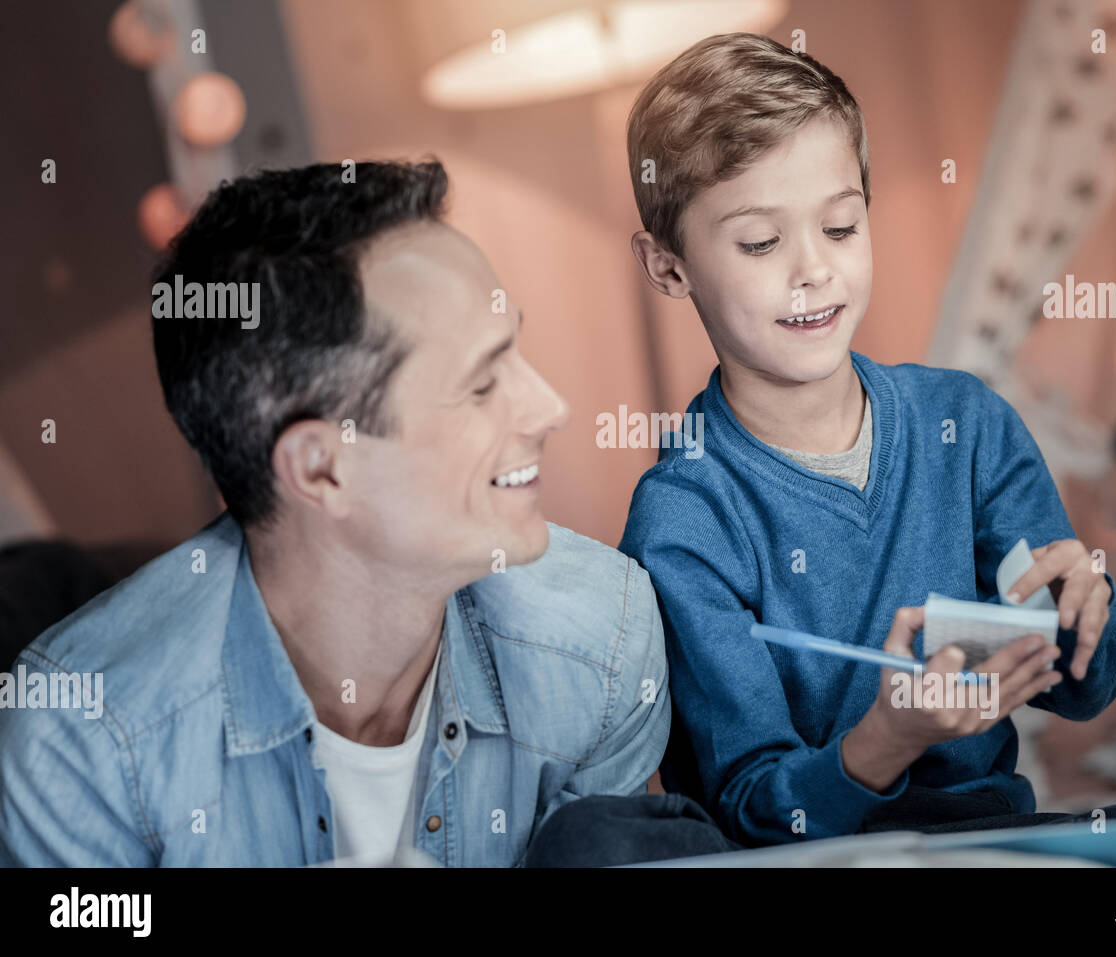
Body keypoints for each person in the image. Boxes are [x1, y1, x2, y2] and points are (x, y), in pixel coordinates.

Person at [0, 159, 710, 867]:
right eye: (482, 382)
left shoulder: (604, 636)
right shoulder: (81, 744)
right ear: (320, 466)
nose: (550, 409)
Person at [615, 33, 1116, 848]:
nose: (813, 270)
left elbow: (1083, 685)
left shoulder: (963, 423)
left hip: (995, 843)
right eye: (760, 243)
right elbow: (751, 806)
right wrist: (882, 742)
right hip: (824, 862)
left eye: (840, 226)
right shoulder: (683, 519)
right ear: (669, 267)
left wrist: (1086, 619)